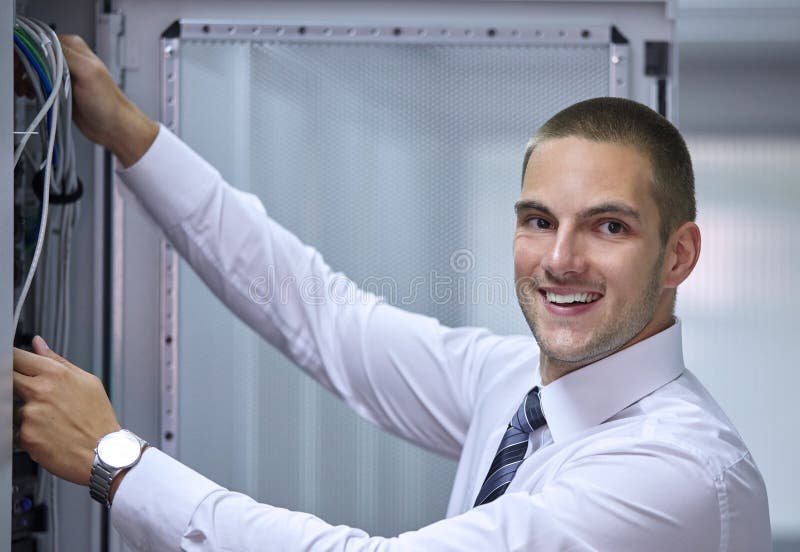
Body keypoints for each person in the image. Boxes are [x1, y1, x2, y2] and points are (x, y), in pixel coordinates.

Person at [12, 35, 771, 551]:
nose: (560, 260)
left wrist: (116, 461)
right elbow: (319, 311)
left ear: (680, 255)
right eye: (539, 220)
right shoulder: (515, 383)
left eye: (609, 227)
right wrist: (130, 133)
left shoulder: (676, 474)